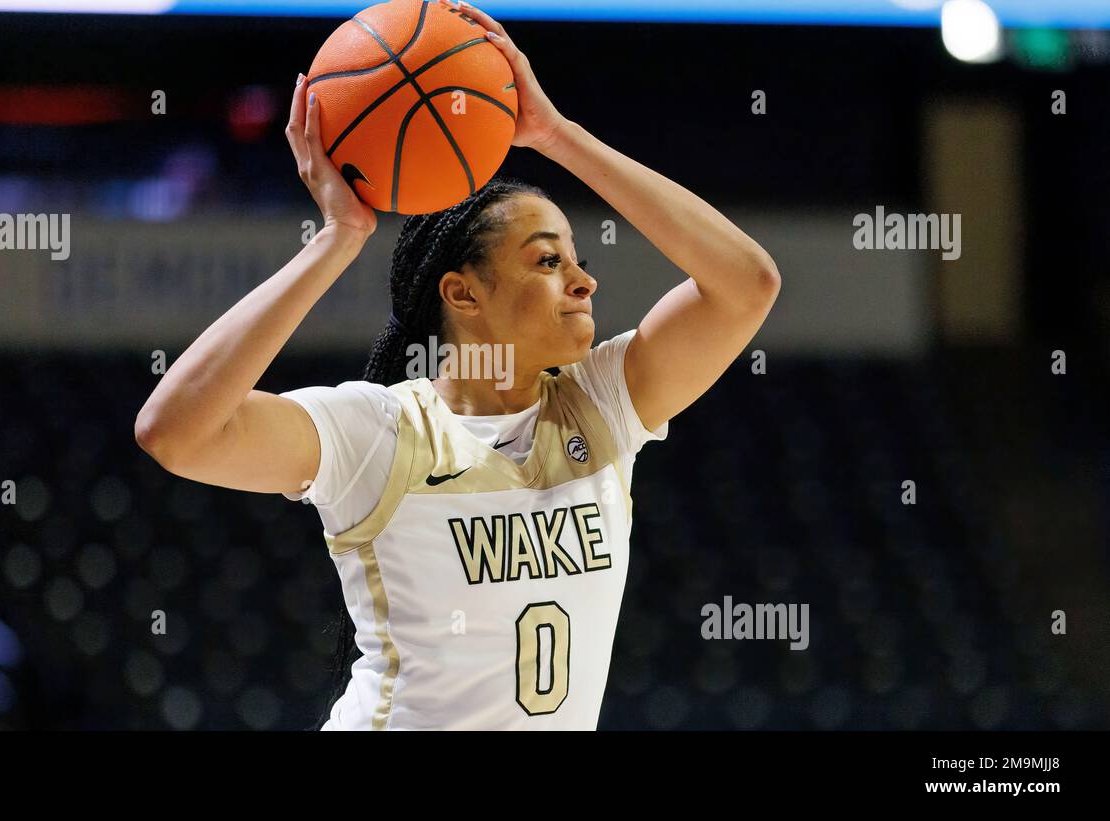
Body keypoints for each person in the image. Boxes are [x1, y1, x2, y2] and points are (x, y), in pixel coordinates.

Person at [135, 1, 780, 730]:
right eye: (547, 260)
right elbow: (174, 431)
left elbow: (747, 284)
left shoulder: (600, 405)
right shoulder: (378, 431)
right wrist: (339, 239)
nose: (583, 281)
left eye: (578, 258)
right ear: (462, 292)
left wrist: (557, 135)